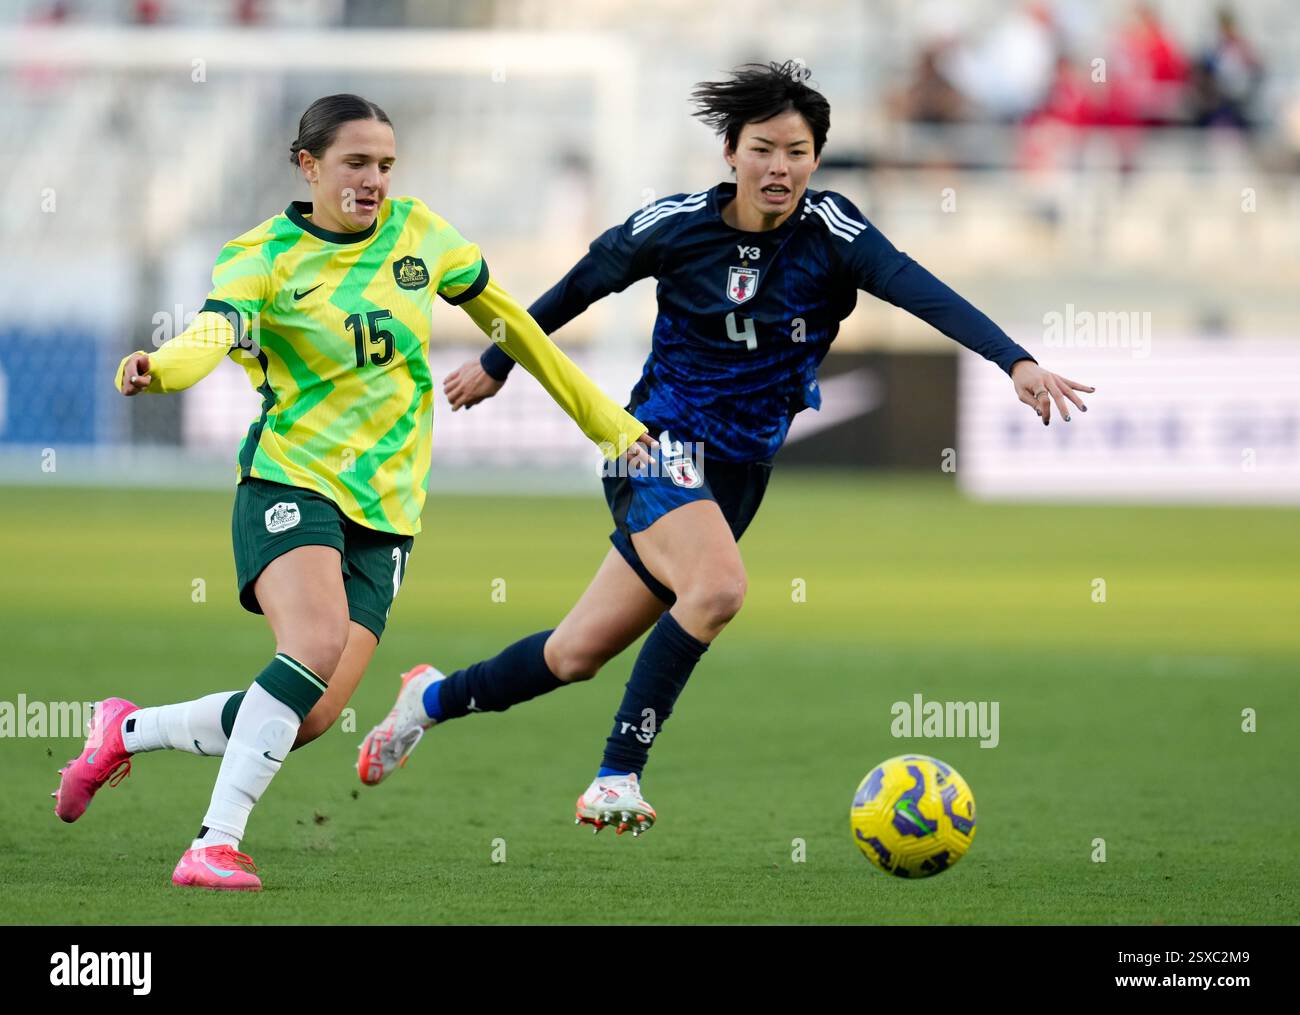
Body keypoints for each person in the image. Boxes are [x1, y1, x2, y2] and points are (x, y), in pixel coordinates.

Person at [358, 62, 1093, 837]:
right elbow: (577, 286)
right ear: (730, 153)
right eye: (765, 149)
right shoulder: (674, 225)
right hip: (651, 441)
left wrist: (1014, 358)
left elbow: (920, 288)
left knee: (574, 654)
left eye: (799, 151)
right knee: (716, 590)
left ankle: (427, 700)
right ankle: (616, 774)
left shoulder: (834, 234)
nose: (781, 167)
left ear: (817, 158)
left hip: (739, 473)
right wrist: (500, 361)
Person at [52, 93, 650, 888]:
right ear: (309, 165)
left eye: (386, 166)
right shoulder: (260, 256)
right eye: (356, 164)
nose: (374, 181)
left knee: (310, 714)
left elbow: (516, 329)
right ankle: (213, 843)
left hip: (390, 510)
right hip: (289, 478)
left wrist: (608, 423)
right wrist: (159, 369)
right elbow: (210, 334)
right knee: (312, 644)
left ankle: (123, 731)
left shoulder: (420, 235)